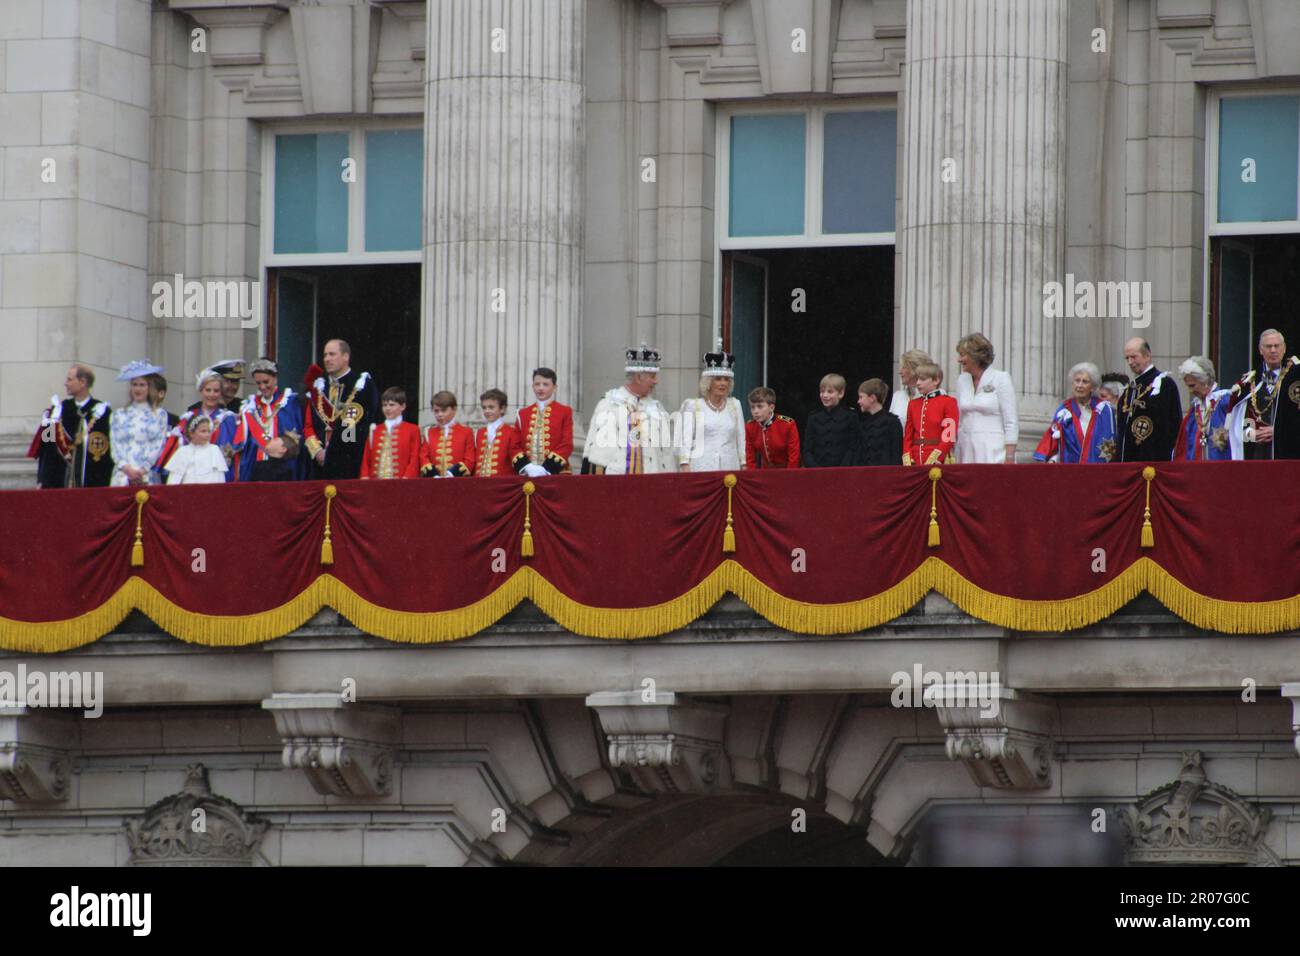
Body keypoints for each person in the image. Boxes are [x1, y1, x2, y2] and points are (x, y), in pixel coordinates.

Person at [581, 344, 675, 474]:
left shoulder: (657, 409)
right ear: (638, 378)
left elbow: (666, 454)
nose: (656, 381)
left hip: (653, 483)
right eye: (652, 377)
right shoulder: (610, 404)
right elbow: (598, 454)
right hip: (617, 483)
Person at [303, 339, 381, 480]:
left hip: (350, 463)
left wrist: (334, 453)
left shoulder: (362, 385)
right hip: (319, 466)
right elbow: (308, 425)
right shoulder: (319, 387)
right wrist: (317, 451)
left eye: (332, 354)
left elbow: (360, 425)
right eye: (325, 355)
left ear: (346, 357)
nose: (327, 359)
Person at [27, 363, 113, 488]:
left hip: (91, 484)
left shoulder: (103, 412)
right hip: (58, 482)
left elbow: (107, 454)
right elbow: (45, 447)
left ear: (83, 382)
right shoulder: (55, 411)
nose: (65, 383)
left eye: (69, 379)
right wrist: (43, 479)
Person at [1222, 330, 1300, 461]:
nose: (1273, 350)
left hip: (1289, 454)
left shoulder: (1296, 377)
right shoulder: (1250, 382)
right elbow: (1242, 422)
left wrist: (1278, 432)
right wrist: (1251, 434)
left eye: (1277, 346)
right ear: (1260, 350)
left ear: (1284, 348)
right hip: (1258, 455)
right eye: (1268, 346)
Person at [155, 369, 240, 482]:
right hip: (191, 474)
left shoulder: (227, 419)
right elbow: (179, 448)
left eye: (216, 391)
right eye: (208, 390)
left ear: (220, 393)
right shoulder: (189, 417)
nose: (212, 394)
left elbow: (231, 451)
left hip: (215, 473)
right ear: (201, 391)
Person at [233, 359, 306, 482]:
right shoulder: (250, 407)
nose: (262, 387)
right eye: (258, 383)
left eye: (266, 382)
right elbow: (241, 442)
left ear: (275, 378)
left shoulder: (290, 402)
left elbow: (297, 434)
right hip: (256, 467)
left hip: (284, 467)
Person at [1032, 362, 1117, 464]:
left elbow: (1110, 440)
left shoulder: (1103, 409)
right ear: (1072, 384)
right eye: (1077, 381)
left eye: (1085, 382)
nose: (1080, 385)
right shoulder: (1064, 410)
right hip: (1070, 471)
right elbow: (1052, 438)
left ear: (1092, 387)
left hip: (1097, 469)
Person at [677, 348, 746, 472]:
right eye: (718, 379)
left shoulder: (735, 406)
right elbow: (685, 441)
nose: (723, 383)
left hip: (730, 468)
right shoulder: (693, 405)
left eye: (726, 380)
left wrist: (743, 465)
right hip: (701, 468)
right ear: (708, 382)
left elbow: (741, 439)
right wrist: (684, 466)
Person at [954, 333, 1018, 463]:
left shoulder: (1001, 378)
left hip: (994, 452)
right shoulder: (962, 380)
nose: (959, 360)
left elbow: (1011, 421)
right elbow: (959, 419)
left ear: (975, 356)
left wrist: (1009, 456)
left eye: (962, 355)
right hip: (966, 450)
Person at [1117, 338, 1182, 462]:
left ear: (1147, 356)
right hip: (1127, 462)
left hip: (1153, 461)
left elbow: (1174, 424)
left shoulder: (1164, 384)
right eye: (1127, 358)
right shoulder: (1130, 390)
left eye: (1134, 357)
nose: (1130, 362)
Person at [109, 360, 171, 487]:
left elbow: (158, 444)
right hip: (122, 475)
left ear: (149, 388)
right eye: (134, 384)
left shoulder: (159, 414)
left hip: (148, 475)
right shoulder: (118, 414)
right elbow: (115, 445)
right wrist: (126, 468)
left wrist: (143, 469)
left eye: (142, 385)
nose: (138, 389)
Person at [513, 367, 574, 478]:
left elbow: (566, 444)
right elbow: (514, 446)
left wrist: (547, 468)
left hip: (557, 473)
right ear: (533, 386)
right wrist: (527, 467)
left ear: (554, 388)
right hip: (527, 474)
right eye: (537, 384)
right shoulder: (522, 414)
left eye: (545, 384)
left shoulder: (565, 411)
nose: (541, 388)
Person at [1170, 356, 1234, 462]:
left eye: (1192, 385)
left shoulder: (1226, 403)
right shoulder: (1194, 411)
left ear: (1205, 381)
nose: (1190, 391)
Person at [903, 363, 959, 466]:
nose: (918, 383)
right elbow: (908, 436)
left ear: (936, 380)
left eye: (923, 379)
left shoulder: (948, 402)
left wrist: (935, 457)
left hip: (938, 460)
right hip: (915, 460)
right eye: (917, 379)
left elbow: (949, 436)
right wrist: (908, 458)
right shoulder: (913, 404)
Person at [360, 387, 423, 479]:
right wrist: (365, 477)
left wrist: (407, 478)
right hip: (375, 484)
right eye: (384, 405)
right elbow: (366, 459)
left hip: (401, 484)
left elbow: (414, 459)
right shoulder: (375, 430)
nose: (387, 408)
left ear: (403, 406)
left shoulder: (412, 429)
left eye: (391, 405)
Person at [802, 373, 856, 468]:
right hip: (817, 473)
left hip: (843, 473)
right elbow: (807, 450)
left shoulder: (850, 416)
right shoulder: (813, 417)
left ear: (841, 393)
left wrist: (841, 469)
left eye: (830, 392)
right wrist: (817, 470)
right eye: (822, 392)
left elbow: (852, 448)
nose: (825, 395)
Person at [420, 391, 477, 477]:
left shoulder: (466, 432)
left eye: (443, 410)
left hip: (458, 482)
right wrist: (434, 475)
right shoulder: (429, 432)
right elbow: (423, 457)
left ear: (454, 409)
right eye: (436, 411)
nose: (439, 414)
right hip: (433, 482)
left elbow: (470, 459)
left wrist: (452, 473)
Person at [745, 386, 800, 469]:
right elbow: (750, 456)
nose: (755, 411)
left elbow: (794, 456)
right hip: (765, 472)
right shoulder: (750, 427)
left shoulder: (787, 424)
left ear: (771, 408)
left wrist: (790, 476)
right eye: (752, 407)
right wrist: (752, 476)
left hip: (787, 471)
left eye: (760, 406)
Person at [851, 378, 903, 466]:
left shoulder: (892, 422)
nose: (858, 401)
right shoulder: (863, 424)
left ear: (872, 398)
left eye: (861, 397)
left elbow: (896, 454)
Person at [164, 416, 228, 484]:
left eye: (209, 431)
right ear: (191, 433)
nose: (207, 435)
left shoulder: (214, 450)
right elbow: (174, 480)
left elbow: (220, 478)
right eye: (203, 431)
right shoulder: (182, 451)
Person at [474, 389, 523, 477]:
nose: (487, 411)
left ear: (502, 409)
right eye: (484, 408)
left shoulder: (511, 432)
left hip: (502, 485)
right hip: (480, 485)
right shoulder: (480, 433)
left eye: (491, 407)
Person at [889, 349, 934, 423]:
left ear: (915, 369)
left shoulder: (932, 397)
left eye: (903, 367)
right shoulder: (897, 396)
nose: (900, 372)